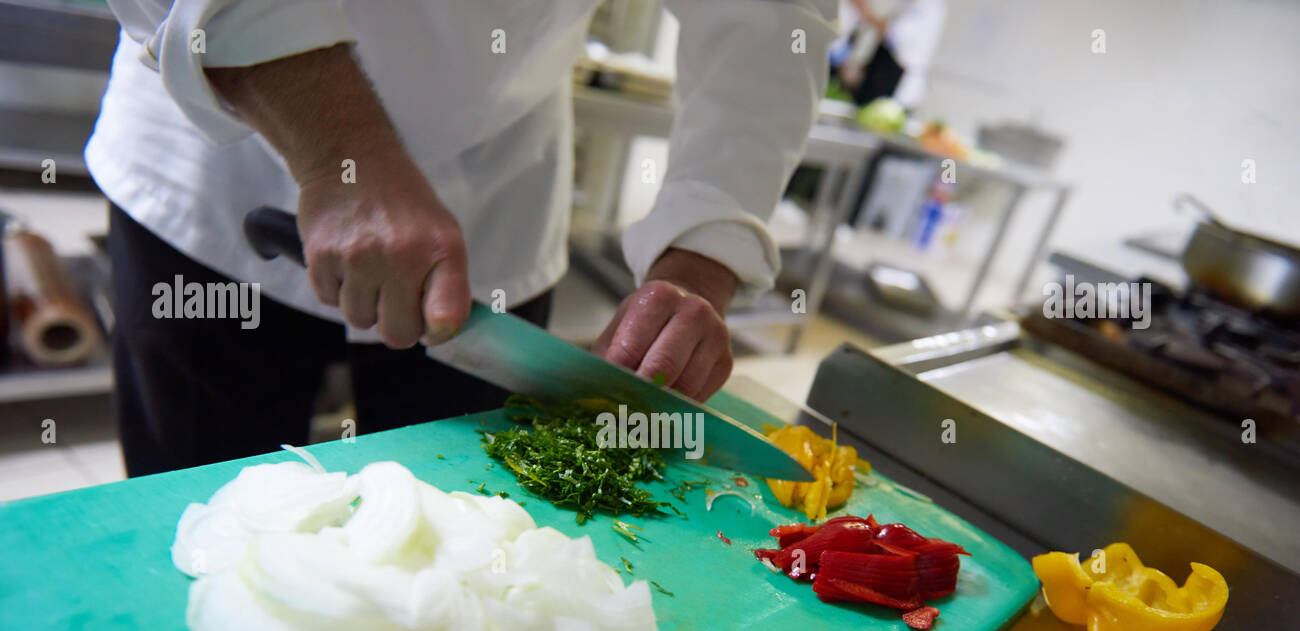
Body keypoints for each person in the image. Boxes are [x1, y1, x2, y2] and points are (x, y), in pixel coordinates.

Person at [86, 1, 837, 476]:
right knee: (200, 510)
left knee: (462, 523)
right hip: (224, 164)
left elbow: (774, 19)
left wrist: (704, 246)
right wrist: (334, 147)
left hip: (493, 192)